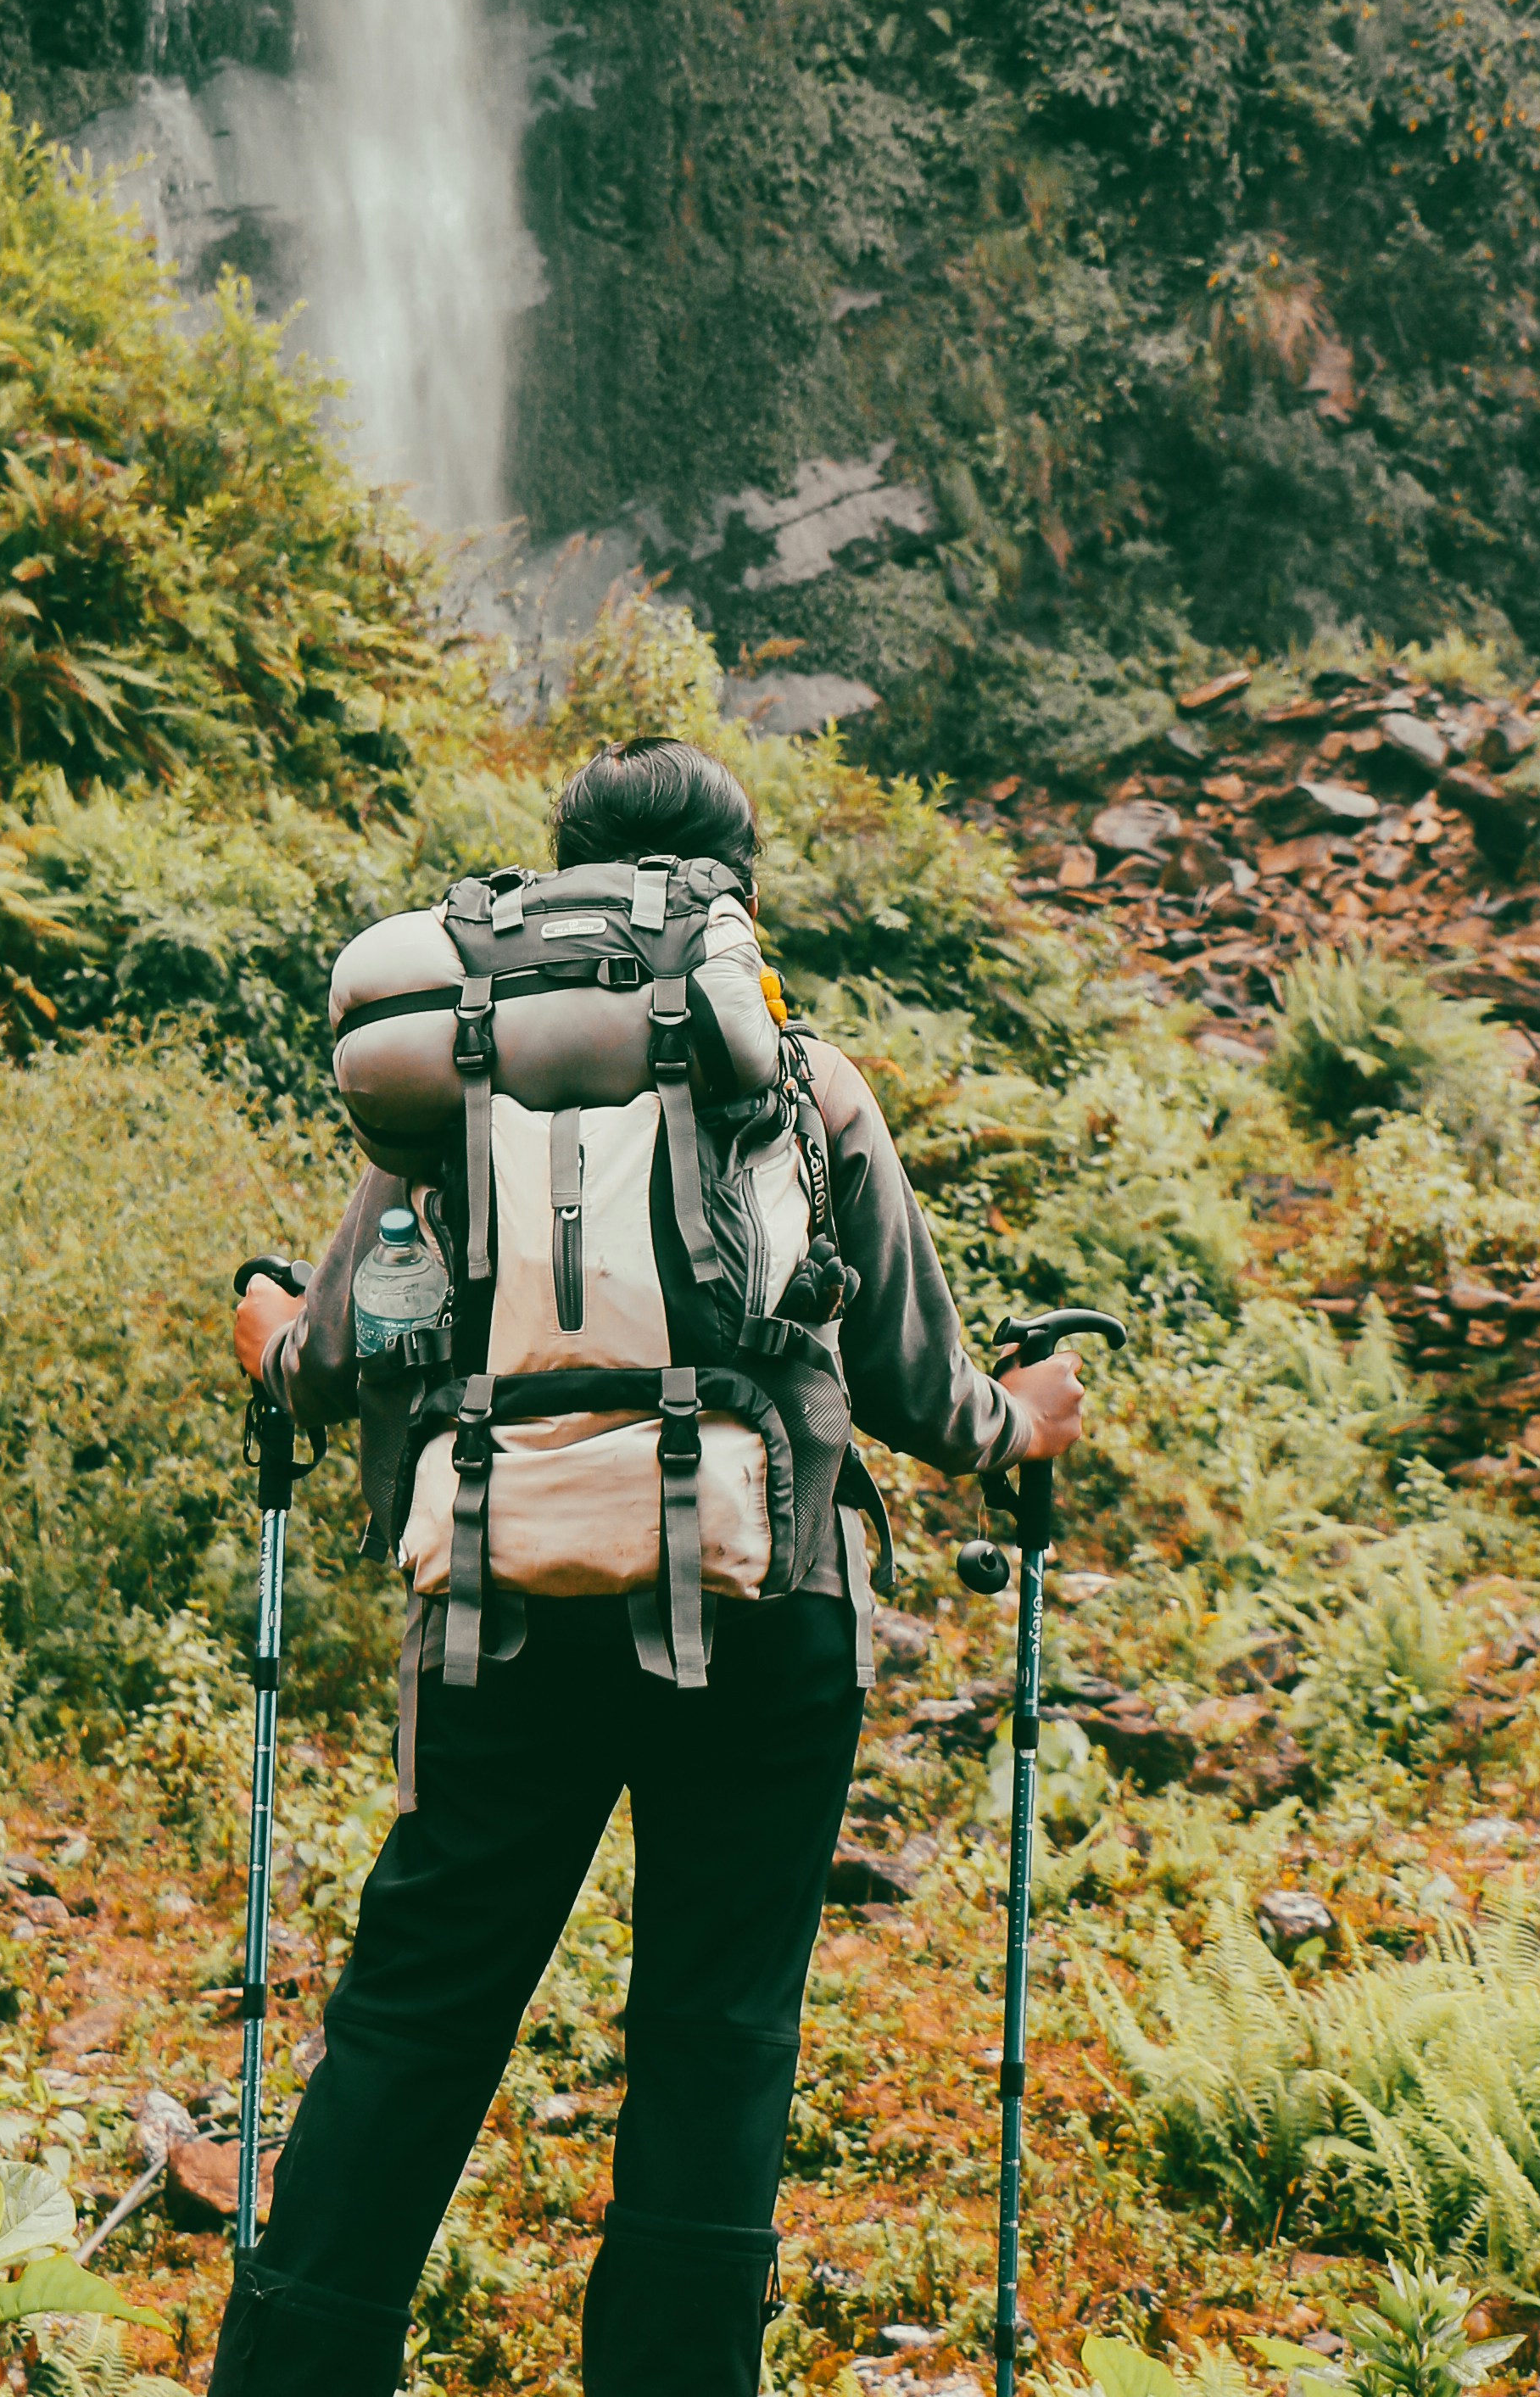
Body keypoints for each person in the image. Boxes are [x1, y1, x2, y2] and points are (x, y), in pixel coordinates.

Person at [206, 734, 1088, 2397]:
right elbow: (913, 1385)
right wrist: (1020, 1422)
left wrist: (268, 1336)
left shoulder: (448, 1083)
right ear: (733, 898)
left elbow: (334, 1353)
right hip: (769, 1617)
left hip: (499, 1613)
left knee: (414, 2017)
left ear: (556, 878)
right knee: (715, 2038)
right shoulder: (802, 1080)